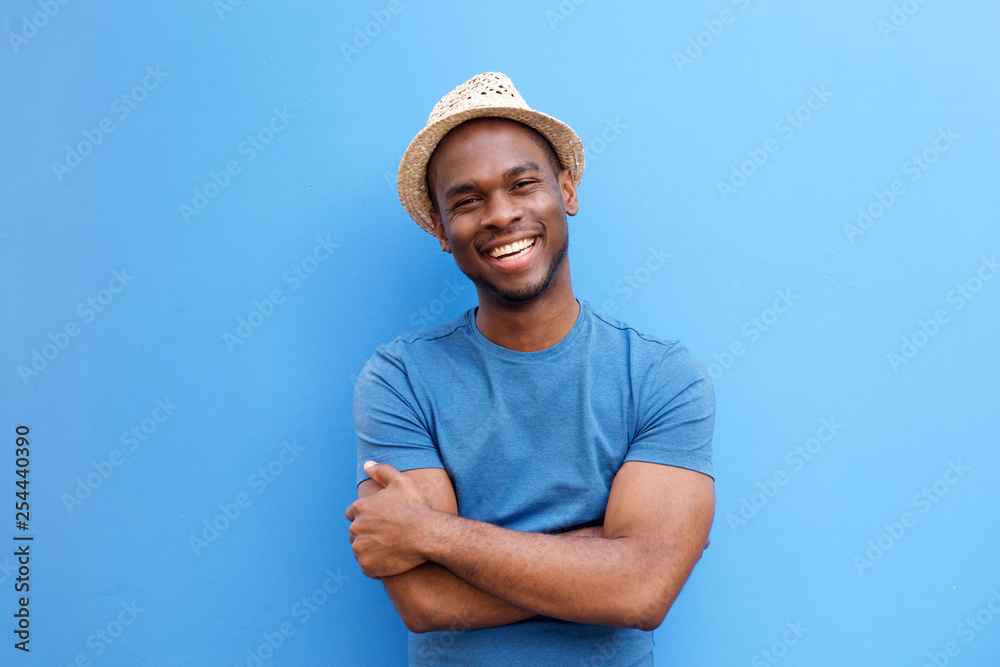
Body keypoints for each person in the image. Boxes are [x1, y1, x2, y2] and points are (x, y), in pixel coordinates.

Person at [345, 72, 715, 666]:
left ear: (566, 190)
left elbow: (642, 591)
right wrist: (604, 559)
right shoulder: (400, 378)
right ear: (441, 229)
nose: (500, 215)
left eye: (523, 184)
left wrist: (431, 533)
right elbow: (427, 600)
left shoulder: (660, 375)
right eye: (467, 201)